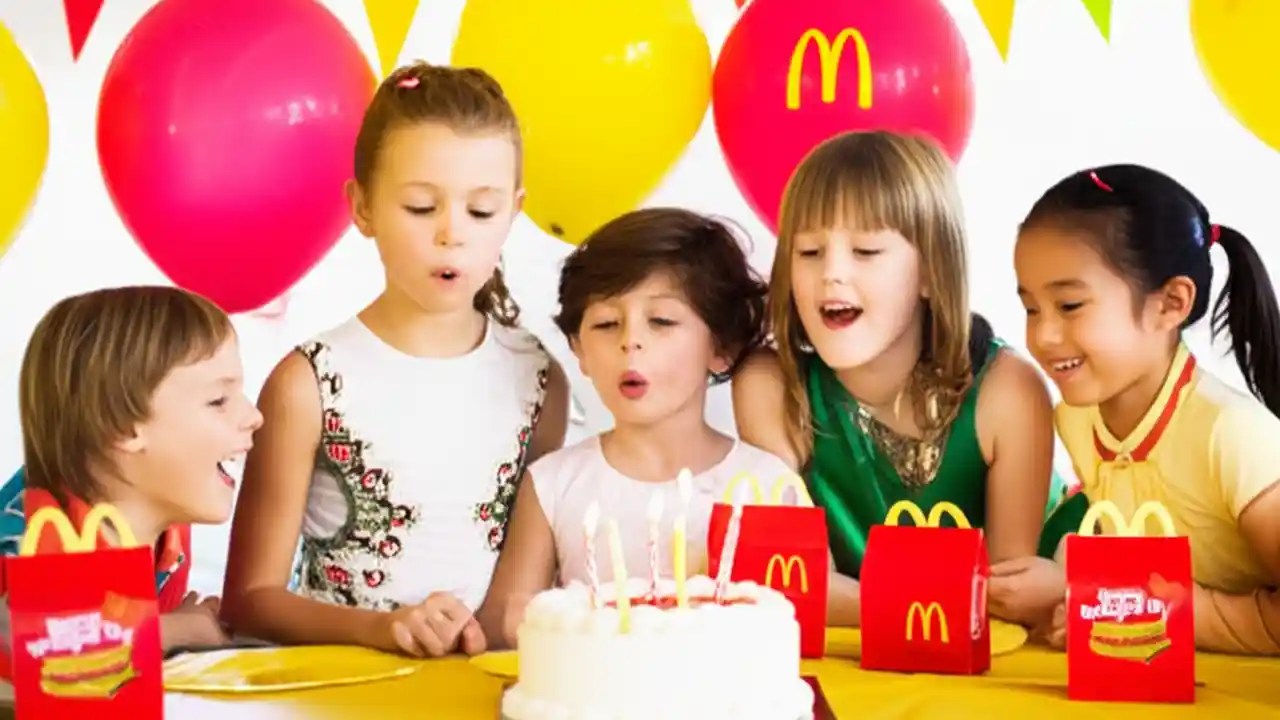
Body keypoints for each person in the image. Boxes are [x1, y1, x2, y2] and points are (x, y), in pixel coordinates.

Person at [219, 62, 570, 658]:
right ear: (363, 207)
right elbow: (250, 598)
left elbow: (522, 586)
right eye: (420, 207)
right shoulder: (308, 383)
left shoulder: (538, 381)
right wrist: (378, 628)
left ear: (513, 212)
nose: (451, 234)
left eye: (480, 211)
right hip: (339, 692)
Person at [733, 130, 1080, 630]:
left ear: (930, 273)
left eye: (867, 251)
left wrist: (880, 602)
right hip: (877, 647)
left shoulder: (1007, 390)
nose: (831, 273)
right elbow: (798, 585)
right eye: (809, 252)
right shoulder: (770, 386)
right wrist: (914, 605)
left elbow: (1006, 600)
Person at [475, 208, 795, 649]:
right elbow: (500, 626)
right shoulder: (554, 484)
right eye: (607, 324)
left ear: (721, 346)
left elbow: (798, 622)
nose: (631, 341)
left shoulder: (765, 484)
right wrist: (514, 621)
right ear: (579, 349)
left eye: (661, 321)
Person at [1014, 163, 1280, 655]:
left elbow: (1160, 604)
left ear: (1171, 303)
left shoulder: (1233, 435)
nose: (1043, 337)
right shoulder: (1077, 419)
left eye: (1069, 306)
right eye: (1031, 308)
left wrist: (1165, 615)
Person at [0, 286, 262, 655]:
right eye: (219, 400)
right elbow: (37, 647)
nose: (255, 416)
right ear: (122, 428)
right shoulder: (35, 534)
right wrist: (180, 630)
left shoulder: (167, 532)